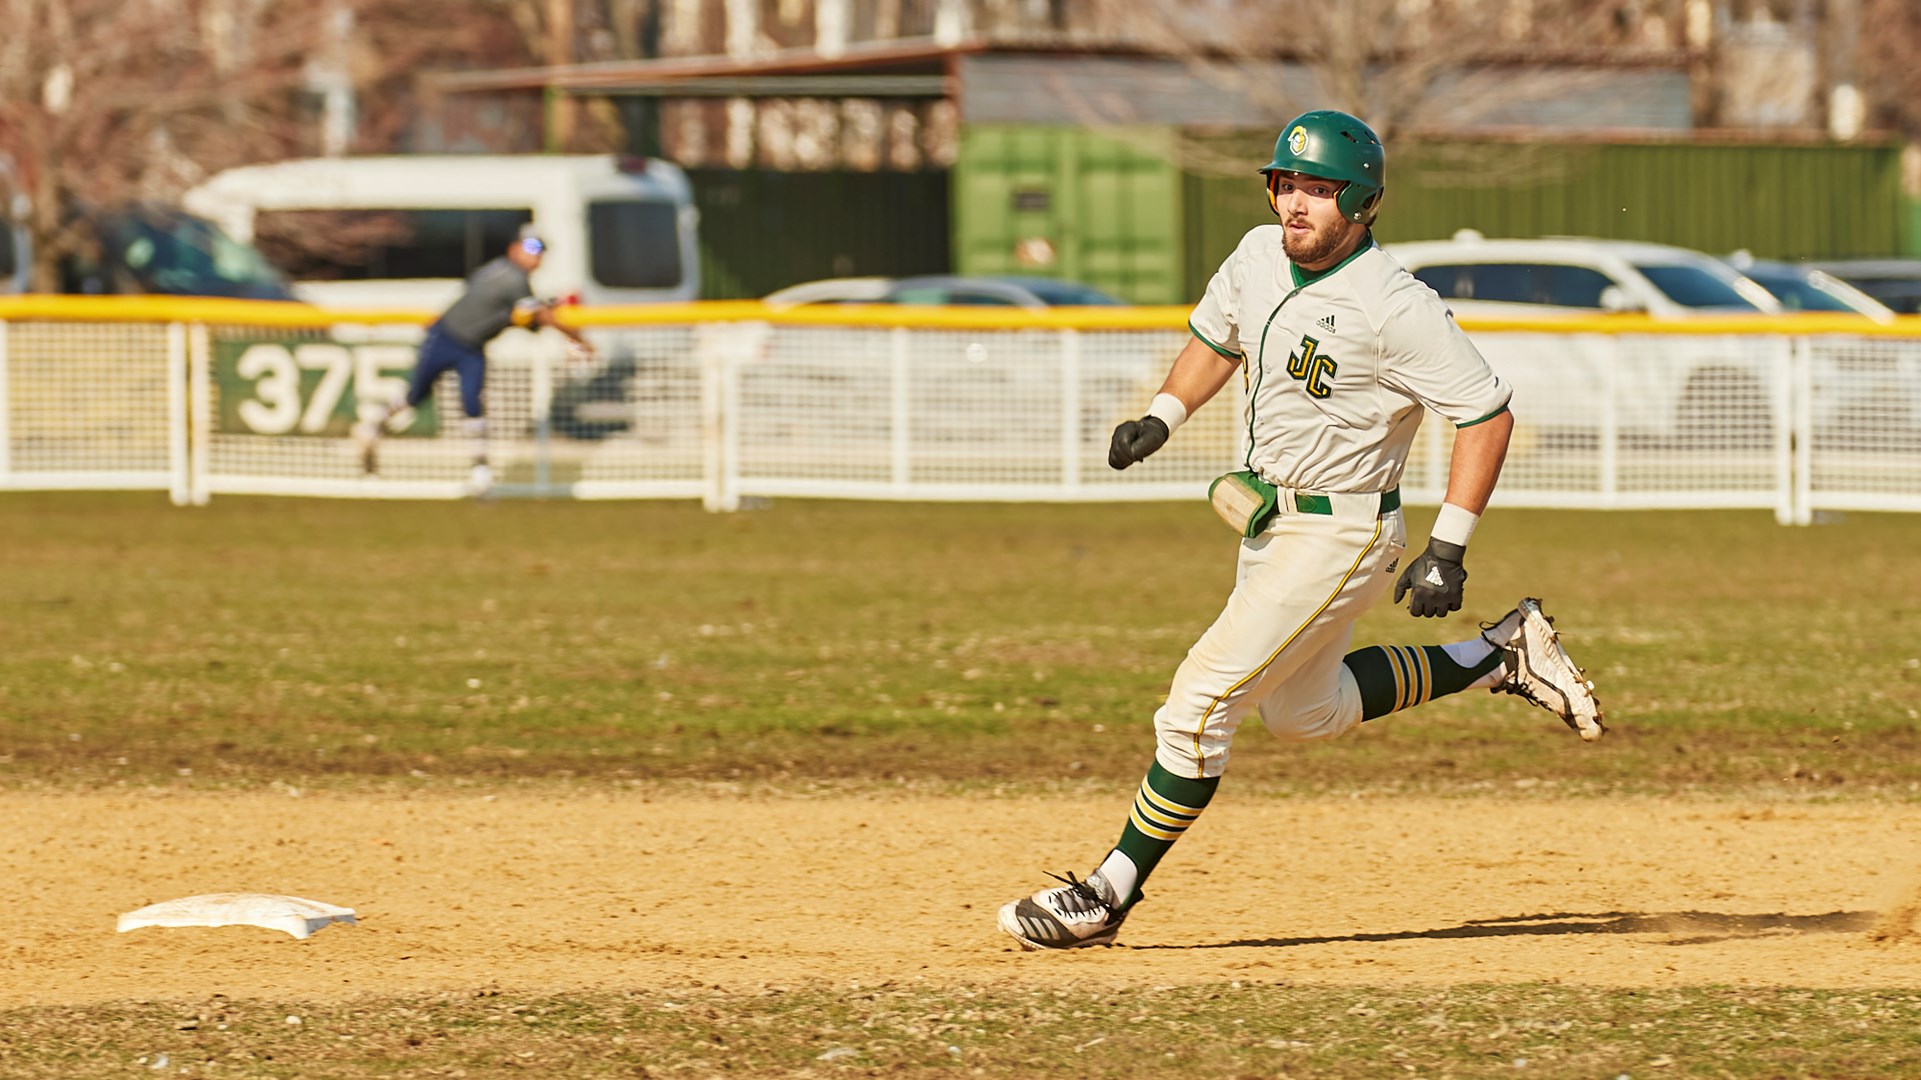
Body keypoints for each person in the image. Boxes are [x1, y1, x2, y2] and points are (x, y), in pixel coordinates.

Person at [996, 109, 1606, 951]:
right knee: (1303, 713)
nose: (1294, 202)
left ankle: (1106, 894)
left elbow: (1485, 414)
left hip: (1341, 531)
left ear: (1361, 202)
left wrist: (1448, 546)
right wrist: (1163, 415)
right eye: (1286, 183)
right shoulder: (1256, 255)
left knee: (1195, 706)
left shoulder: (1394, 305)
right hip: (1269, 524)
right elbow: (1216, 341)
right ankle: (1497, 655)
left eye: (1318, 189)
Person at [353, 226, 593, 495]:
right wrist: (579, 339)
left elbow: (516, 315)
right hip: (445, 338)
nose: (534, 256)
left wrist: (544, 311)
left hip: (471, 348)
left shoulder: (501, 273)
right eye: (530, 248)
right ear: (514, 249)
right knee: (415, 396)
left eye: (539, 251)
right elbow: (536, 316)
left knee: (473, 406)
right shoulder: (511, 276)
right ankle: (374, 425)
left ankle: (480, 473)